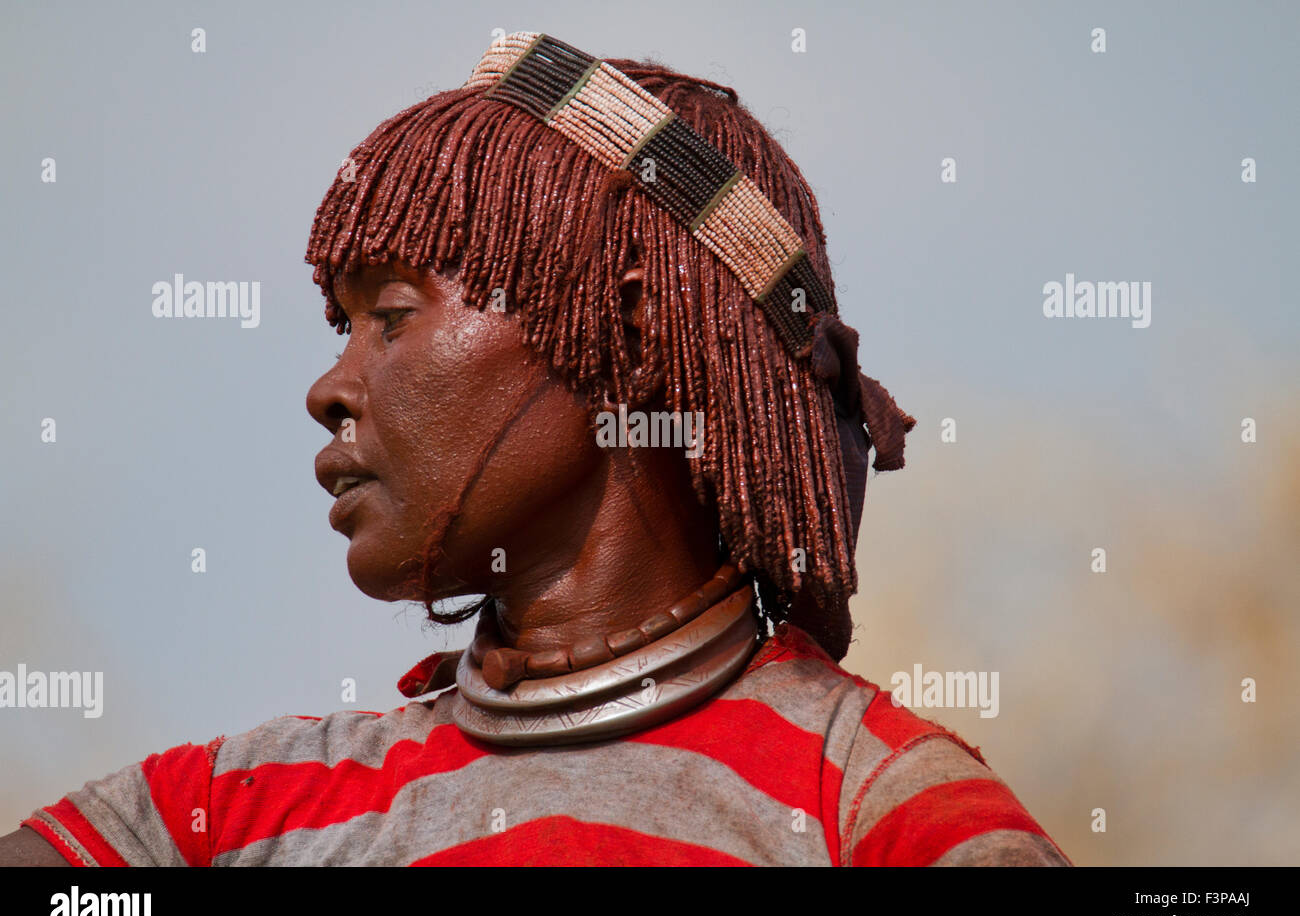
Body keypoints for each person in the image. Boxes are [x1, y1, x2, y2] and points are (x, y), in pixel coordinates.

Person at [0, 31, 1070, 866]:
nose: (331, 389)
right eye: (342, 327)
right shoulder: (223, 818)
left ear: (632, 329)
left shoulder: (869, 802)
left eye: (393, 315)